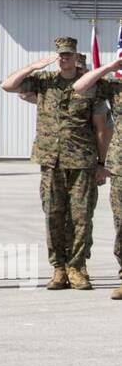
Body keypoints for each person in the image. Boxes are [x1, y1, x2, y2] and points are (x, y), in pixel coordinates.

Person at [1, 38, 107, 290]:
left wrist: (102, 163)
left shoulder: (90, 86)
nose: (64, 58)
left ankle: (78, 267)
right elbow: (7, 85)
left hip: (82, 161)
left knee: (81, 217)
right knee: (53, 216)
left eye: (68, 54)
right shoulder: (44, 82)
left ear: (76, 56)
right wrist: (33, 66)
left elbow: (101, 129)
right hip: (51, 161)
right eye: (60, 55)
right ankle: (58, 268)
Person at [73, 55, 122, 299]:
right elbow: (79, 87)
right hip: (121, 166)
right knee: (121, 222)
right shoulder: (114, 87)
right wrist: (110, 68)